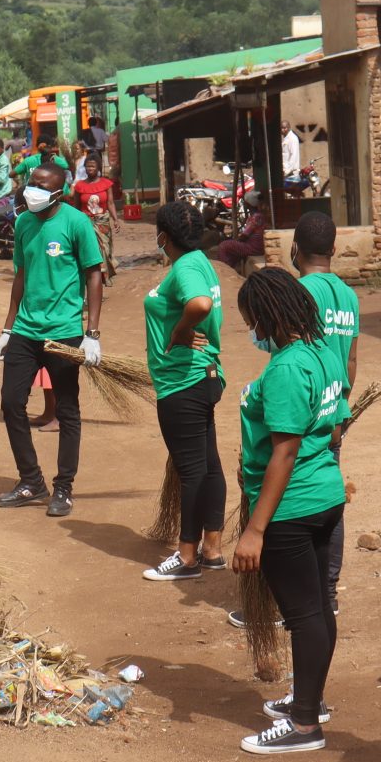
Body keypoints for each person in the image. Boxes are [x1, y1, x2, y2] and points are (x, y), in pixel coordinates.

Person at [231, 268, 348, 755]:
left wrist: (255, 529)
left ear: (267, 316)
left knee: (302, 616)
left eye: (251, 321)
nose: (252, 330)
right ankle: (309, 702)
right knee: (318, 607)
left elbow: (285, 451)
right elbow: (336, 427)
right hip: (325, 497)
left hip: (290, 509)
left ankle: (303, 727)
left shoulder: (285, 369)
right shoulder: (325, 353)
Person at [0, 154, 104, 518]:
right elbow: (21, 276)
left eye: (41, 186)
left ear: (58, 193)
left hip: (64, 333)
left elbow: (94, 274)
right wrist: (7, 328)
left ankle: (64, 488)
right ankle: (31, 481)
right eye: (31, 183)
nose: (32, 190)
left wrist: (92, 333)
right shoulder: (24, 222)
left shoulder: (77, 223)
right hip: (26, 330)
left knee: (68, 410)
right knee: (11, 402)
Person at [142, 201, 227, 582]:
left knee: (191, 471)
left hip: (183, 381)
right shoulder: (201, 261)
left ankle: (188, 556)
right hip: (202, 377)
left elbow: (200, 304)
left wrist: (180, 331)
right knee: (208, 466)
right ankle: (213, 549)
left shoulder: (185, 268)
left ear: (163, 236)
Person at [292, 210, 359, 625]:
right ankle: (327, 592)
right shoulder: (349, 295)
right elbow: (351, 359)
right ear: (334, 249)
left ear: (294, 248)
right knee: (331, 497)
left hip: (303, 414)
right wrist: (341, 407)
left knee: (294, 501)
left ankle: (299, 595)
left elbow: (288, 356)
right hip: (336, 412)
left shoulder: (298, 292)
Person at [70, 157, 118, 282]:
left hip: (102, 222)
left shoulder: (106, 183)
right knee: (89, 250)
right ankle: (91, 278)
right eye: (88, 166)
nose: (90, 169)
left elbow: (110, 203)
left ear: (98, 168)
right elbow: (76, 207)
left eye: (93, 166)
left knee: (105, 249)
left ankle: (104, 277)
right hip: (85, 223)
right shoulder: (79, 186)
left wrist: (115, 219)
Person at [210, 191, 269, 270]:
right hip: (256, 247)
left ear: (248, 204)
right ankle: (230, 268)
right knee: (231, 247)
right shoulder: (257, 216)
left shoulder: (256, 217)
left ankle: (224, 270)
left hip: (254, 248)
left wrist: (234, 241)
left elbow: (244, 236)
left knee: (224, 246)